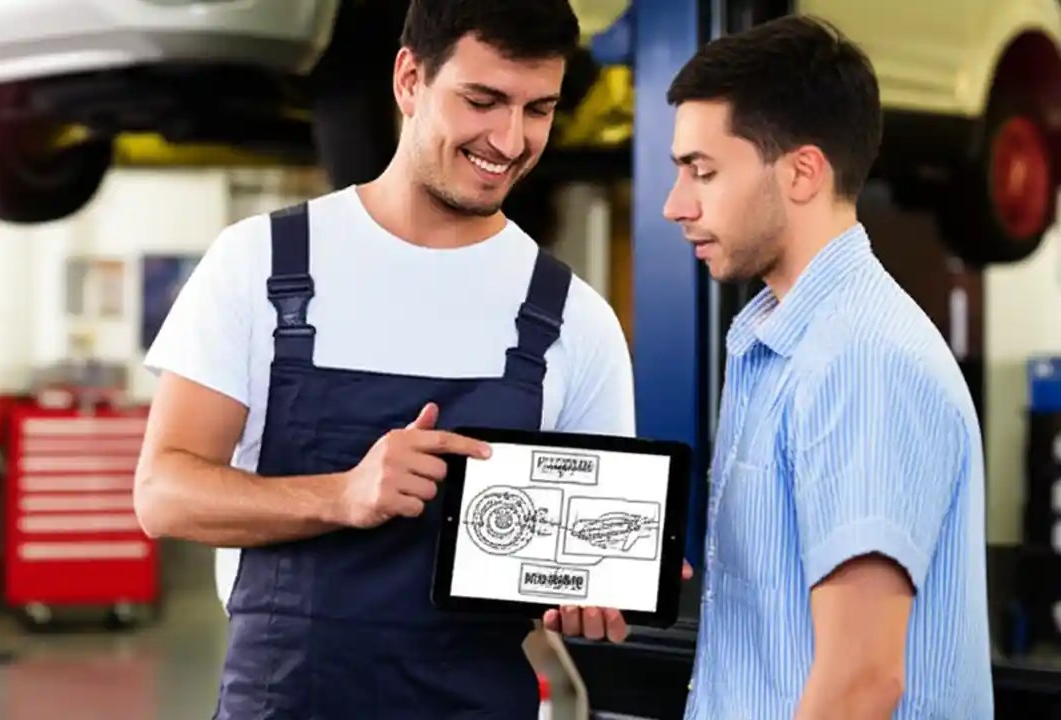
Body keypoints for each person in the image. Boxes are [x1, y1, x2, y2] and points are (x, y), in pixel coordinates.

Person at [134, 1, 653, 716]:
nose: (509, 139)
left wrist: (595, 588)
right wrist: (342, 495)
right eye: (483, 100)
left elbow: (579, 558)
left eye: (539, 109)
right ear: (409, 80)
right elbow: (163, 493)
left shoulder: (574, 319)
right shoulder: (261, 264)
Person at [661, 15, 993, 719]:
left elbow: (861, 682)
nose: (675, 205)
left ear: (802, 171)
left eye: (703, 171)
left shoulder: (861, 365)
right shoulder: (781, 345)